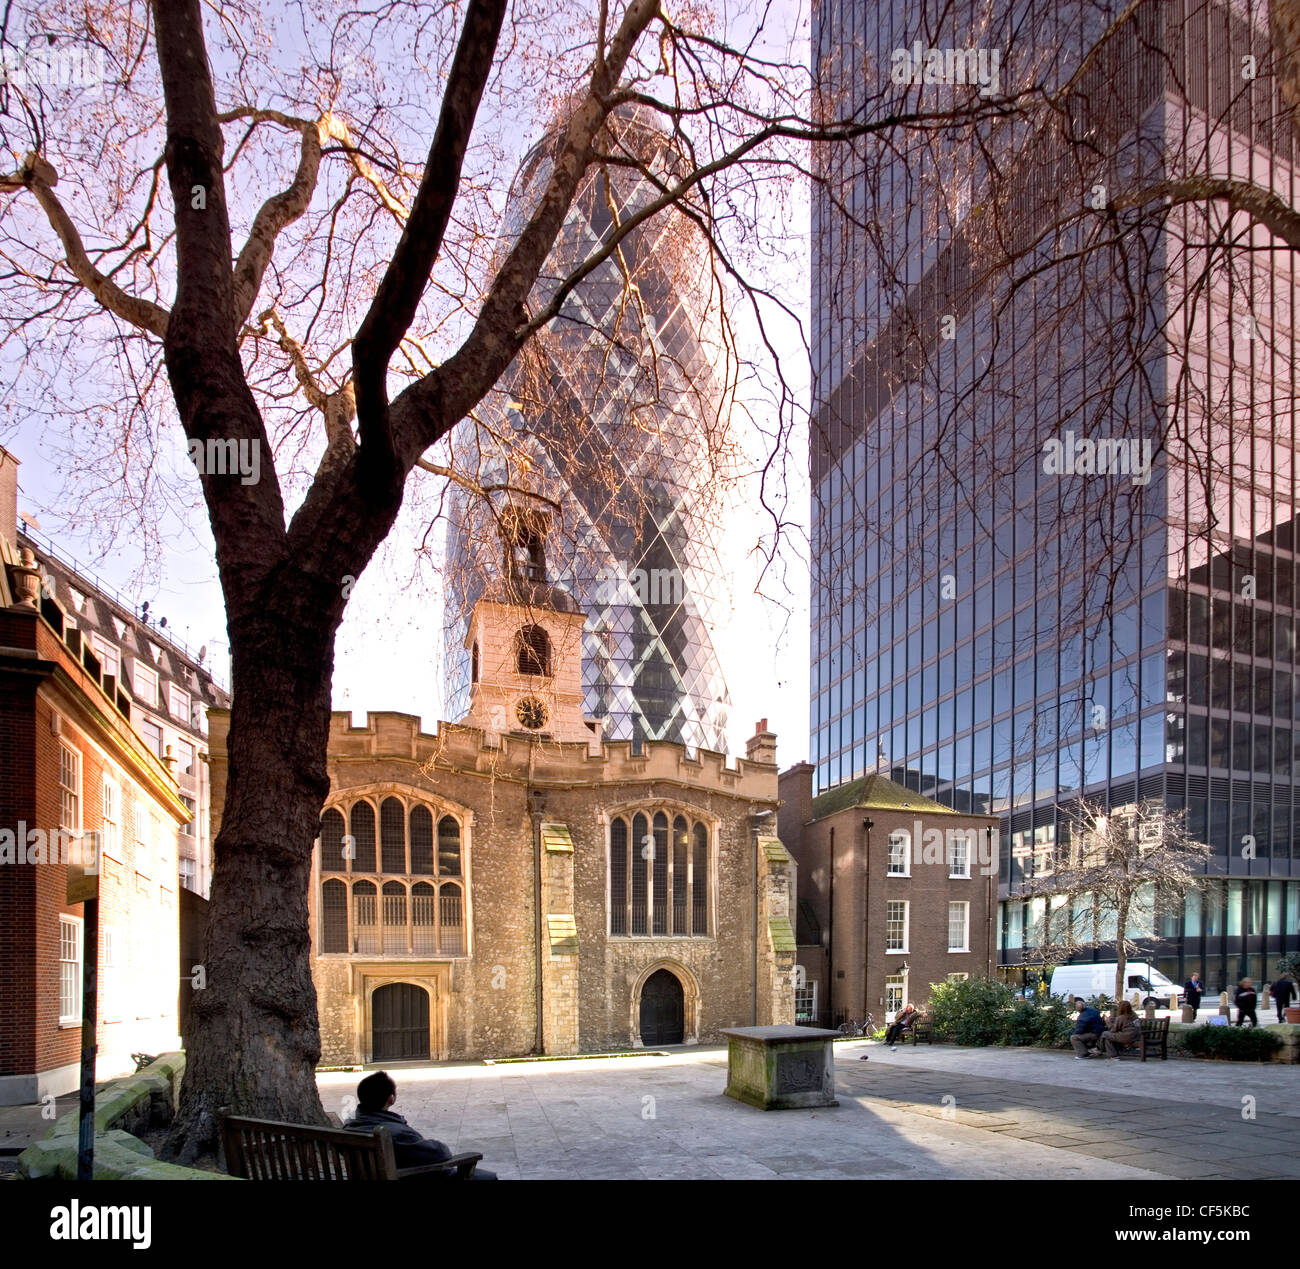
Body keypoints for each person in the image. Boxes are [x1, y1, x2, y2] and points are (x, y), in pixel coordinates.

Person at [343, 1071, 498, 1179]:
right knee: (487, 1177)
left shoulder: (350, 1128)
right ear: (391, 1099)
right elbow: (441, 1154)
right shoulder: (395, 1133)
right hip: (411, 1176)